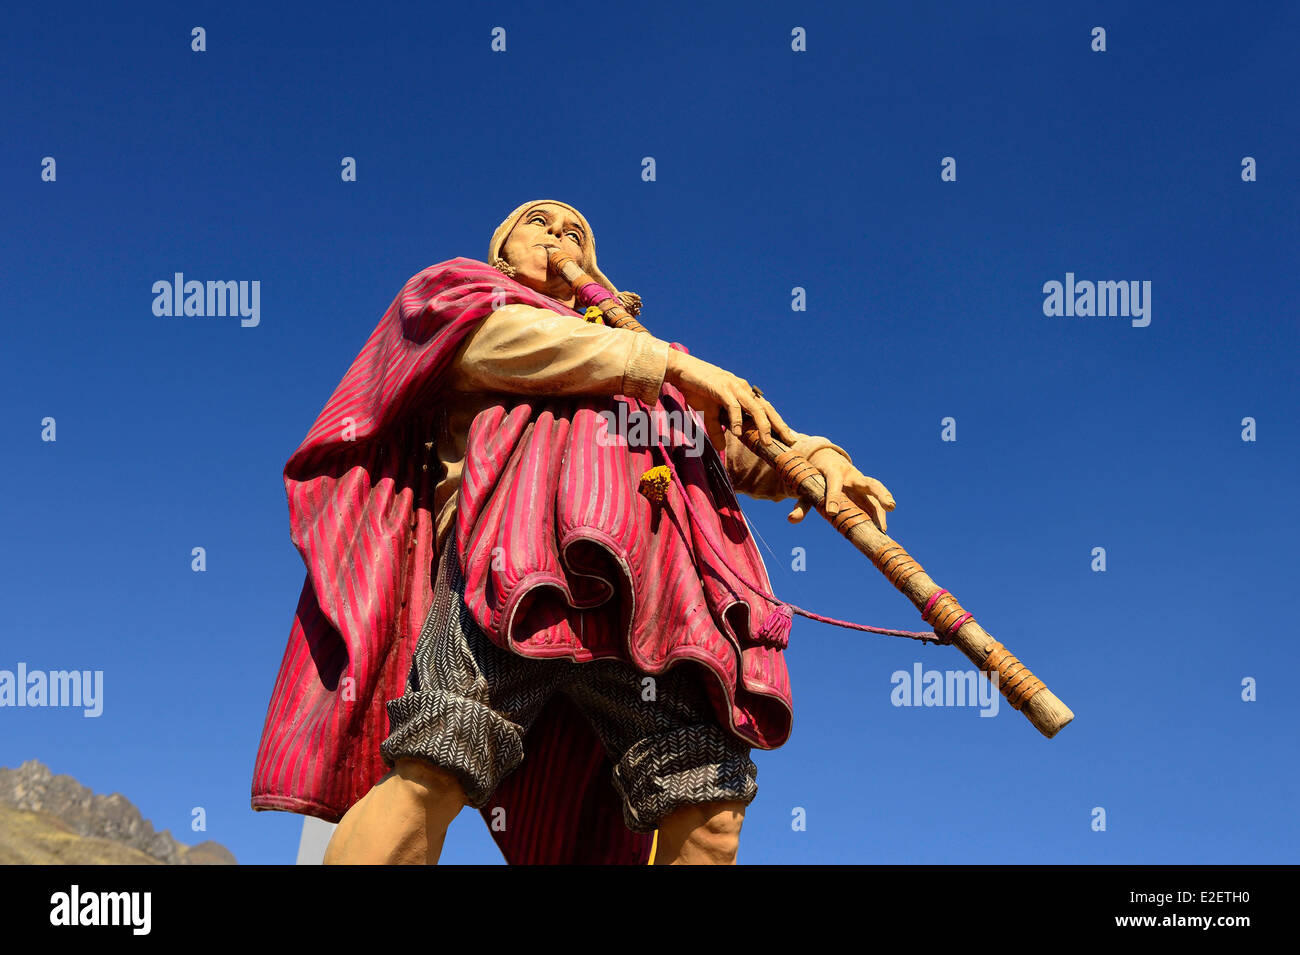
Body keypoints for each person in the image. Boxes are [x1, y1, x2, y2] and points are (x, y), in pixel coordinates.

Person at [252, 200, 894, 865]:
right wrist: (667, 363)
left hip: (654, 596)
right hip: (509, 567)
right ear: (503, 250)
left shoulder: (644, 365)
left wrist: (819, 462)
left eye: (577, 232)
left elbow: (729, 440)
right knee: (436, 763)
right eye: (540, 223)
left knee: (706, 806)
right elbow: (501, 345)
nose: (561, 234)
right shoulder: (467, 298)